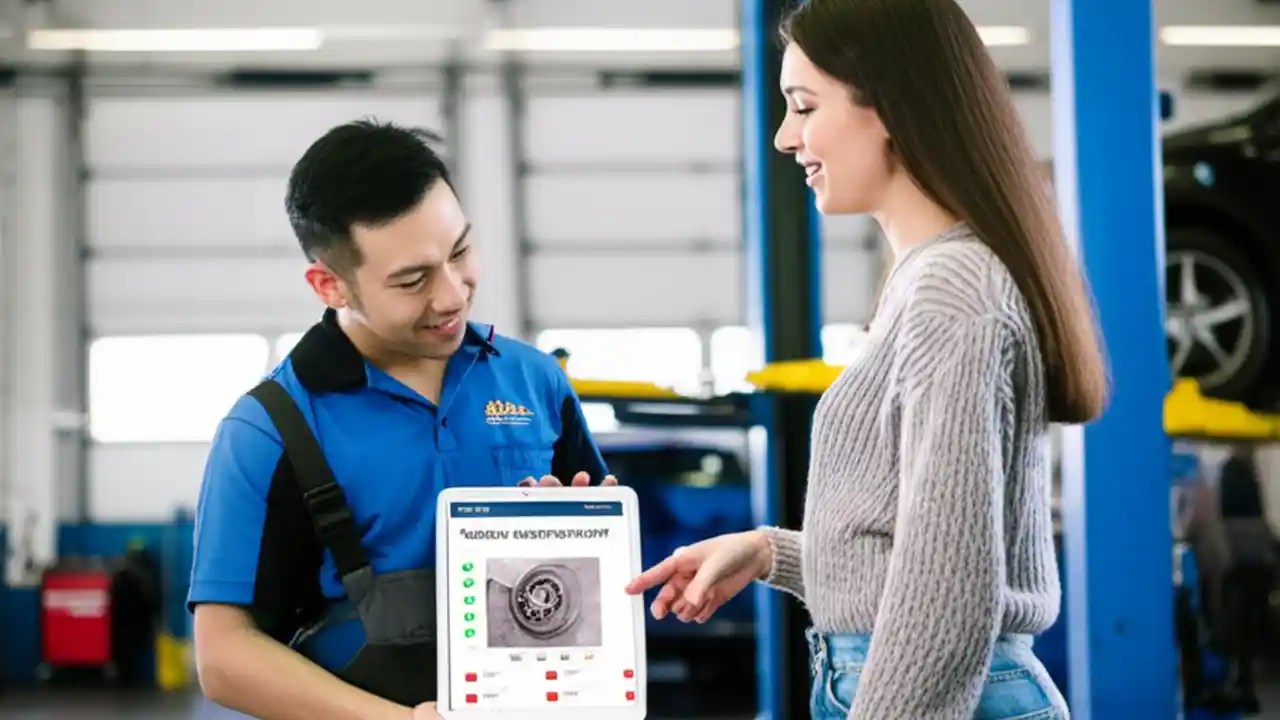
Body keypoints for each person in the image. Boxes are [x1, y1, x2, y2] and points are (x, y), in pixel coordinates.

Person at [626, 0, 1109, 718]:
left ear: (885, 105)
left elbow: (948, 586)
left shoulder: (953, 289)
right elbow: (912, 541)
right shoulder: (930, 279)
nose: (787, 138)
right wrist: (770, 552)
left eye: (804, 106)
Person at [188, 119, 615, 720]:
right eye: (413, 280)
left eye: (461, 251)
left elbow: (609, 580)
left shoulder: (535, 380)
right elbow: (224, 656)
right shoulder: (269, 428)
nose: (452, 295)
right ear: (330, 284)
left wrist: (578, 530)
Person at [1217, 444, 1278, 714]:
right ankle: (1247, 683)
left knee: (1241, 628)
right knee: (1252, 626)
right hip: (1252, 565)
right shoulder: (1241, 474)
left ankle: (1245, 682)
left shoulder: (1231, 474)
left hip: (1238, 565)